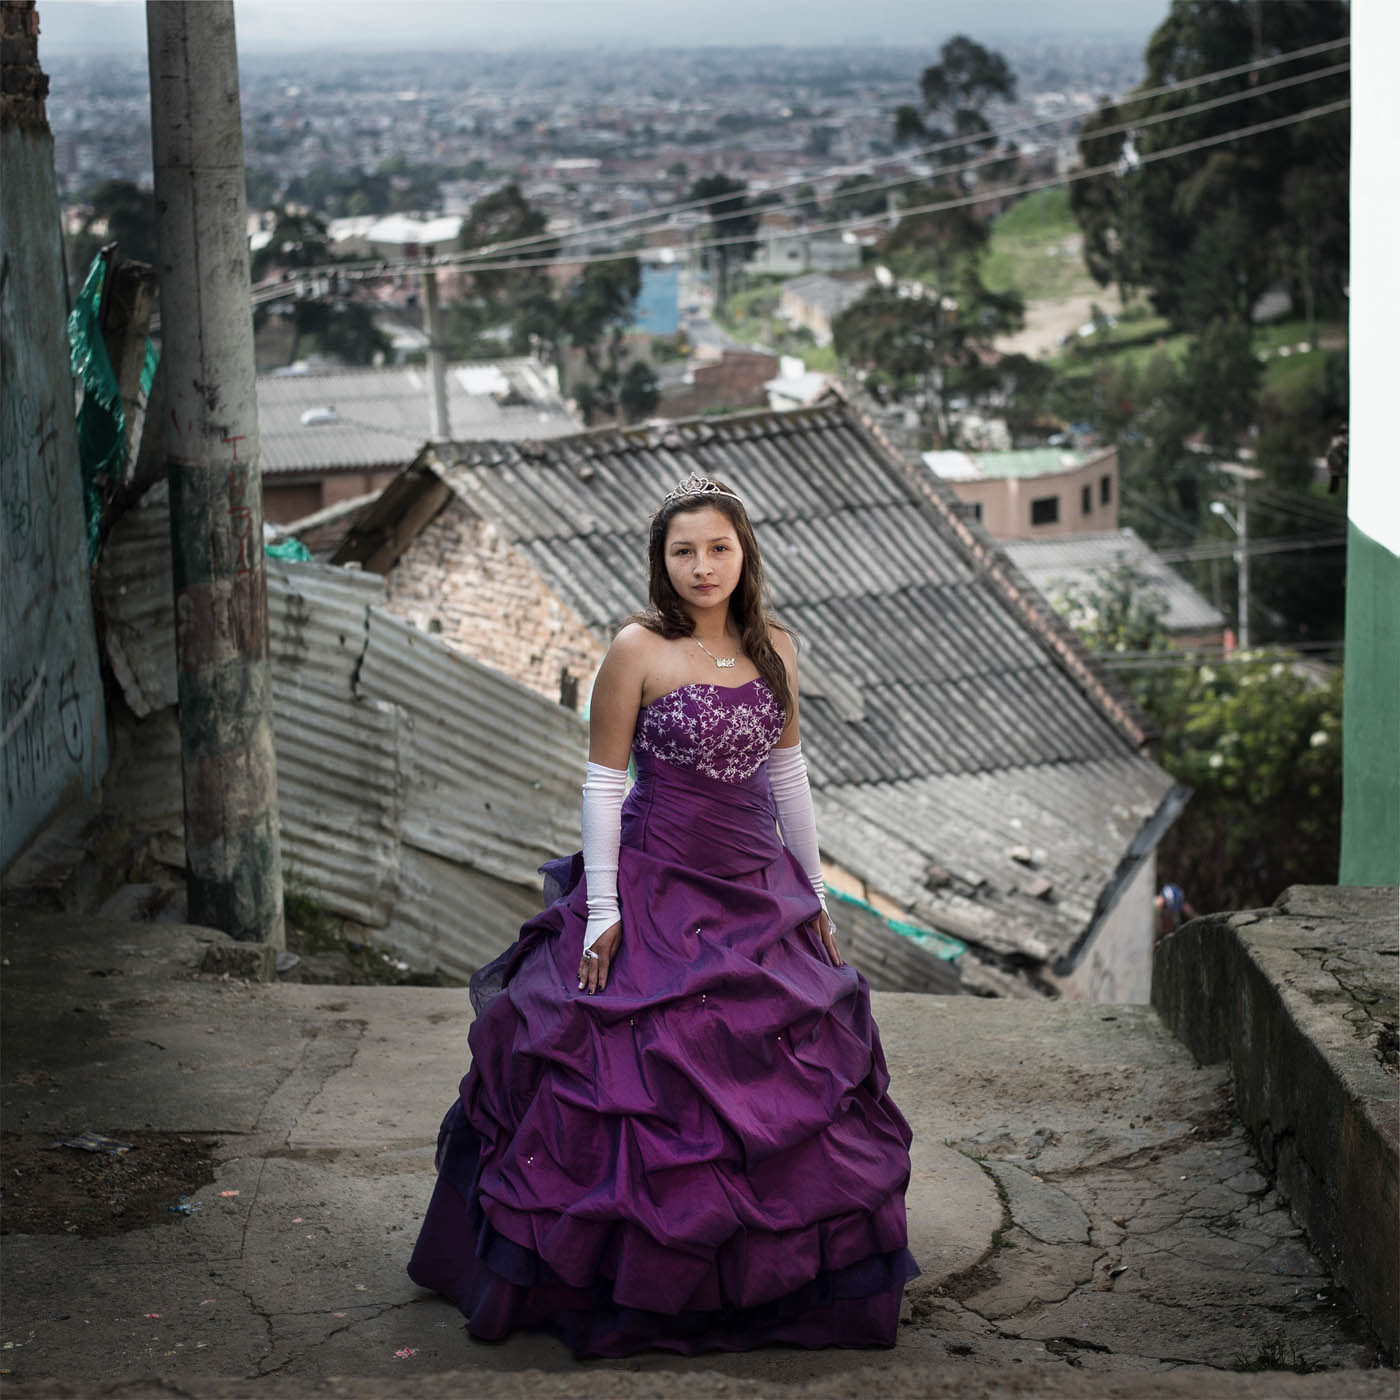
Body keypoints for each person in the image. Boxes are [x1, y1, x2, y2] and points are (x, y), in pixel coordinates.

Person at [407, 473, 918, 1358]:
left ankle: (770, 1285)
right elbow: (605, 784)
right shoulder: (636, 649)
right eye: (684, 550)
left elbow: (788, 777)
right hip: (656, 876)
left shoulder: (778, 647)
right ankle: (623, 1281)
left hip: (757, 883)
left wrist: (817, 893)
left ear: (744, 553)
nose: (702, 565)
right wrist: (602, 909)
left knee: (782, 1083)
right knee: (631, 1072)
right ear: (662, 563)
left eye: (719, 547)